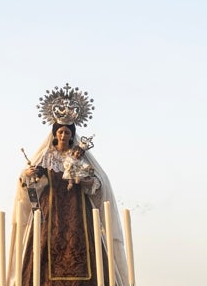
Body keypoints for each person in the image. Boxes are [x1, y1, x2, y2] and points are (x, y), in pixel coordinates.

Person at [11, 122, 129, 286]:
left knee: (85, 249)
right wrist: (28, 174)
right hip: (51, 212)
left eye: (67, 132)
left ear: (72, 135)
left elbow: (97, 182)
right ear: (55, 134)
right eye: (60, 132)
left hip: (78, 212)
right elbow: (33, 181)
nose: (63, 136)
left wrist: (84, 180)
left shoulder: (79, 157)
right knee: (43, 248)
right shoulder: (47, 157)